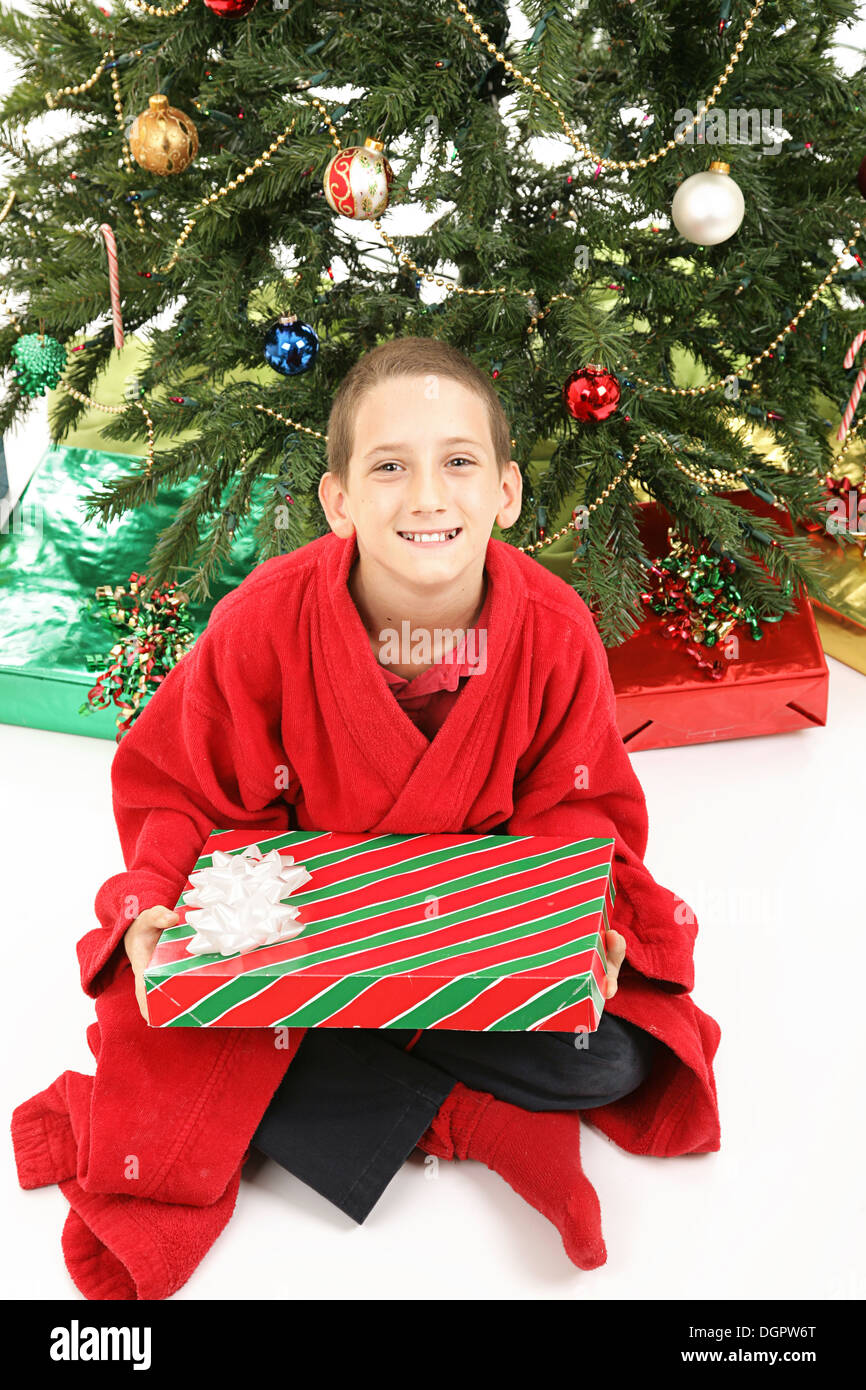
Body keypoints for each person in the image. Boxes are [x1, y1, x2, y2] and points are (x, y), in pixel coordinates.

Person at [11, 337, 721, 1300]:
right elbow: (177, 785)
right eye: (390, 466)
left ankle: (342, 1076)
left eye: (458, 463)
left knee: (614, 1058)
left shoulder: (553, 631)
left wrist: (571, 933)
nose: (427, 497)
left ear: (507, 492)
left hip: (465, 937)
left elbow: (581, 807)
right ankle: (470, 1119)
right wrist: (146, 909)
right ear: (339, 498)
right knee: (173, 1012)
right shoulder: (265, 621)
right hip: (301, 943)